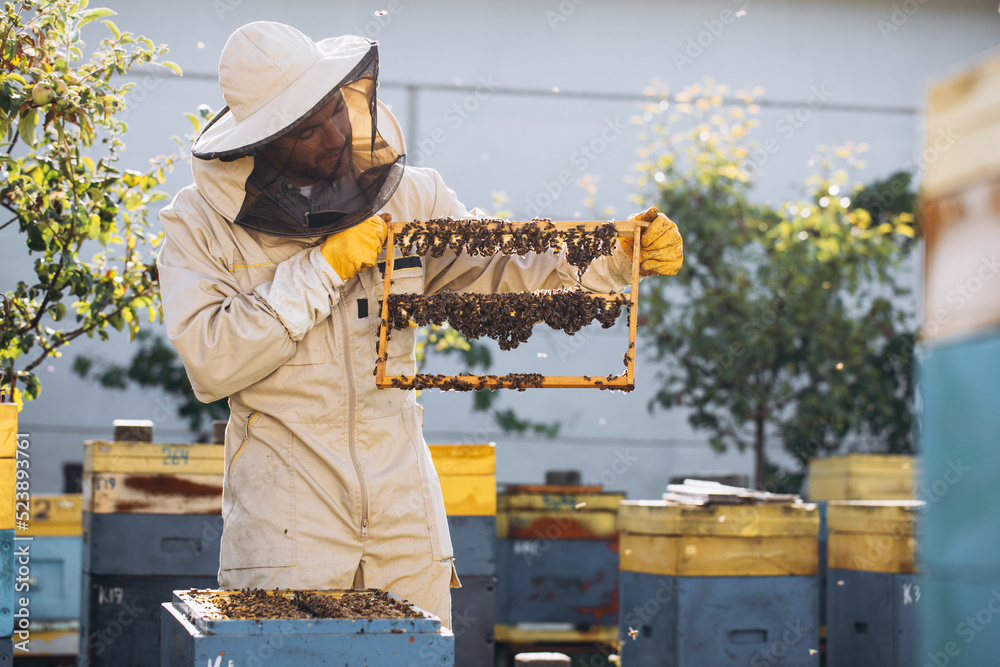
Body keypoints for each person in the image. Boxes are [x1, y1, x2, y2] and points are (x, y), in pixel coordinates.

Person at [157, 21, 683, 626]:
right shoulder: (197, 226)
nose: (335, 133)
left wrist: (611, 257)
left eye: (335, 110)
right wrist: (323, 267)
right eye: (308, 129)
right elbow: (212, 359)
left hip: (401, 508)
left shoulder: (410, 197)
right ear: (266, 141)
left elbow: (498, 266)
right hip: (287, 519)